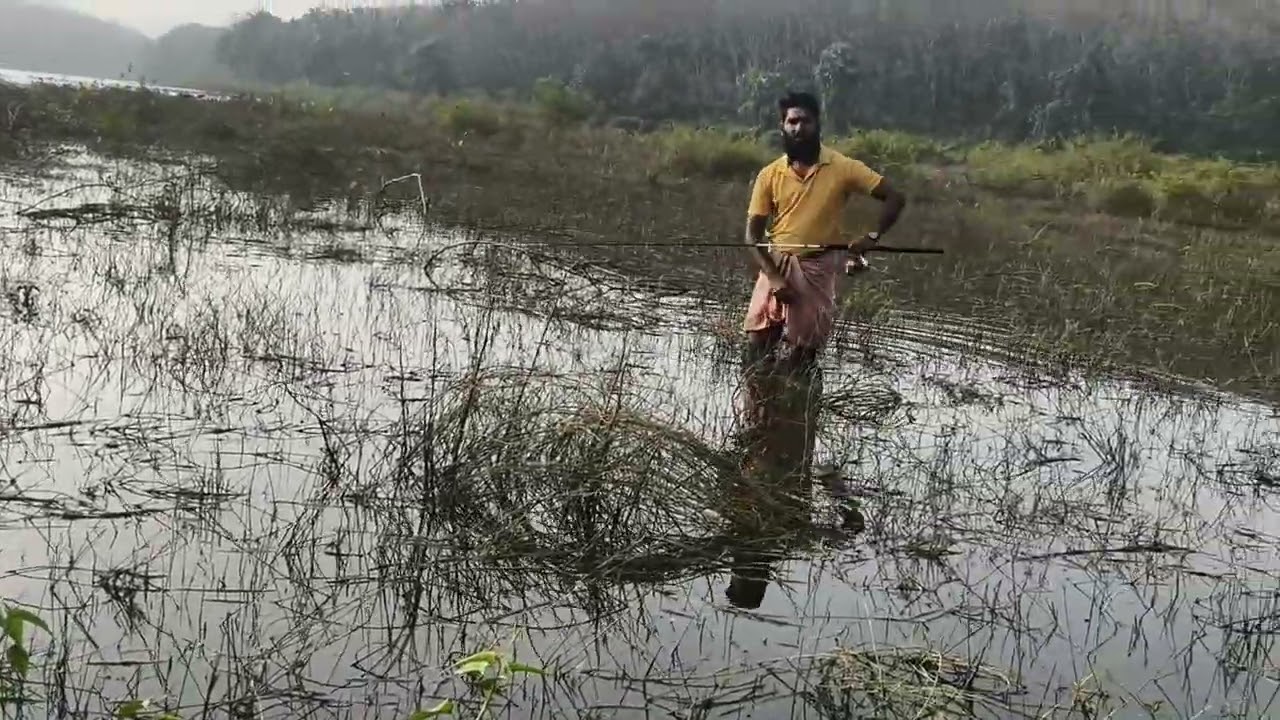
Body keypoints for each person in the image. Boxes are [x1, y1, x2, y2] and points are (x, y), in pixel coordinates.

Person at [742, 91, 907, 367]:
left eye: (805, 121)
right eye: (792, 121)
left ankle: (800, 404)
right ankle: (759, 404)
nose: (798, 128)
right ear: (782, 126)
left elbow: (895, 198)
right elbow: (752, 236)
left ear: (817, 124)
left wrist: (872, 237)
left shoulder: (843, 167)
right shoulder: (769, 174)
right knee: (756, 346)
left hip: (817, 268)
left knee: (804, 354)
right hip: (776, 263)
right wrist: (774, 278)